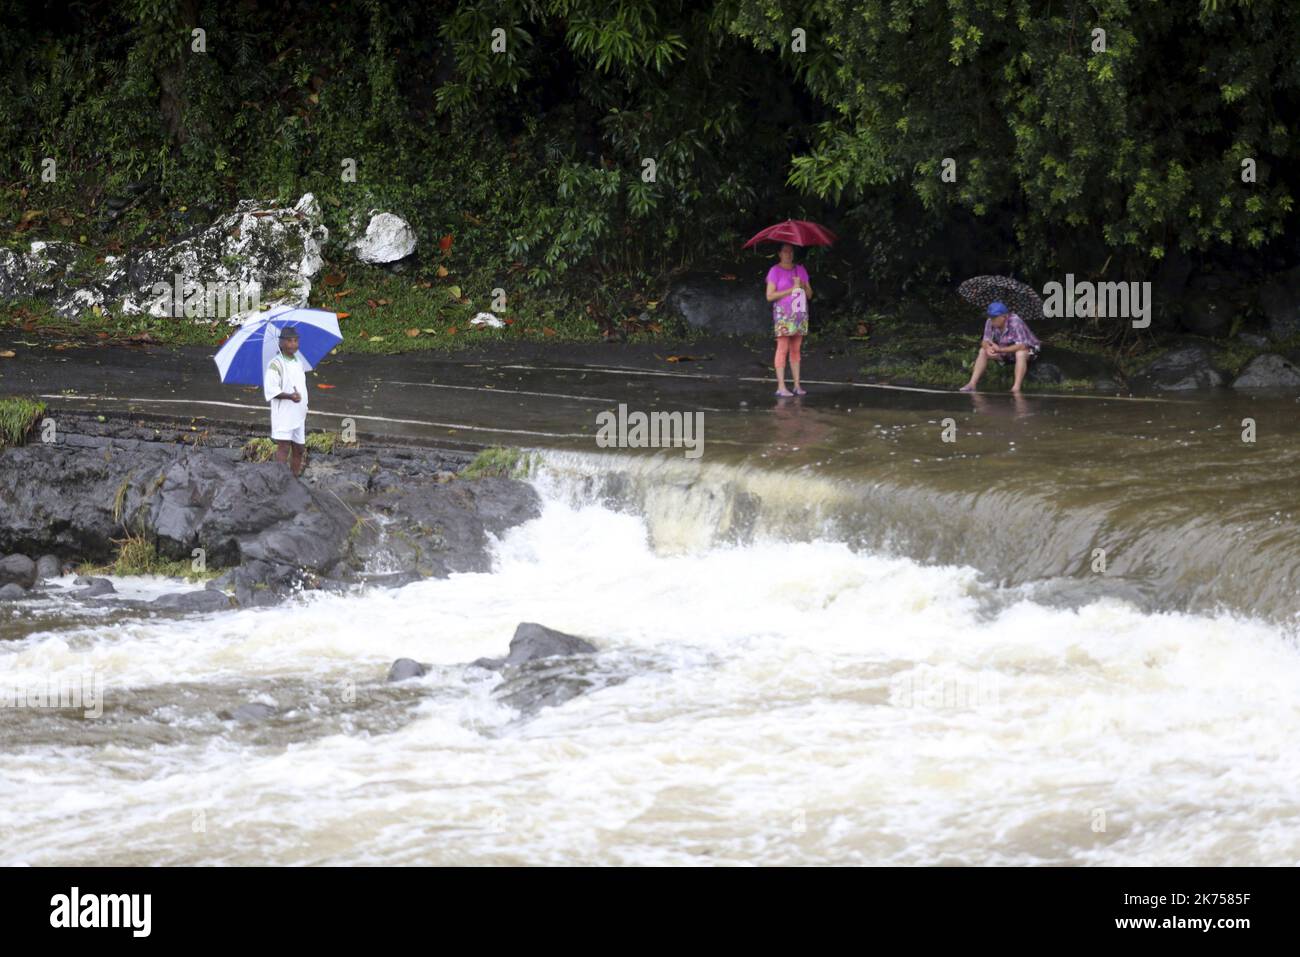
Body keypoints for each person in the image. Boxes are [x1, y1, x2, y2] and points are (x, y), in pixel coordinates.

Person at [960, 300, 1041, 394]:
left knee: (1020, 353)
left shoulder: (1015, 321)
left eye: (995, 317)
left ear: (1004, 317)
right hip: (1005, 351)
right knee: (982, 351)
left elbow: (1022, 346)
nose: (992, 319)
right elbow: (984, 341)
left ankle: (1016, 387)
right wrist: (988, 348)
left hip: (1029, 350)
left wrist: (1000, 350)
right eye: (990, 316)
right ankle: (971, 384)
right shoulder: (990, 321)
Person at [765, 242, 813, 397]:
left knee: (796, 349)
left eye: (791, 251)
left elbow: (810, 295)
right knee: (783, 347)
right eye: (785, 251)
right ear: (779, 253)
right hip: (783, 315)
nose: (788, 254)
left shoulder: (800, 270)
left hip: (799, 314)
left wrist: (803, 285)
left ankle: (797, 385)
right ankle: (781, 386)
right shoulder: (775, 271)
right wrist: (791, 289)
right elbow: (770, 296)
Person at [264, 326, 308, 476]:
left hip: (299, 413)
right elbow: (271, 390)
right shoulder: (275, 365)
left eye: (296, 341)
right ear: (281, 343)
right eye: (289, 341)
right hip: (284, 413)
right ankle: (280, 480)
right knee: (283, 447)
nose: (293, 344)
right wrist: (290, 396)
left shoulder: (298, 362)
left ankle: (294, 481)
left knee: (299, 448)